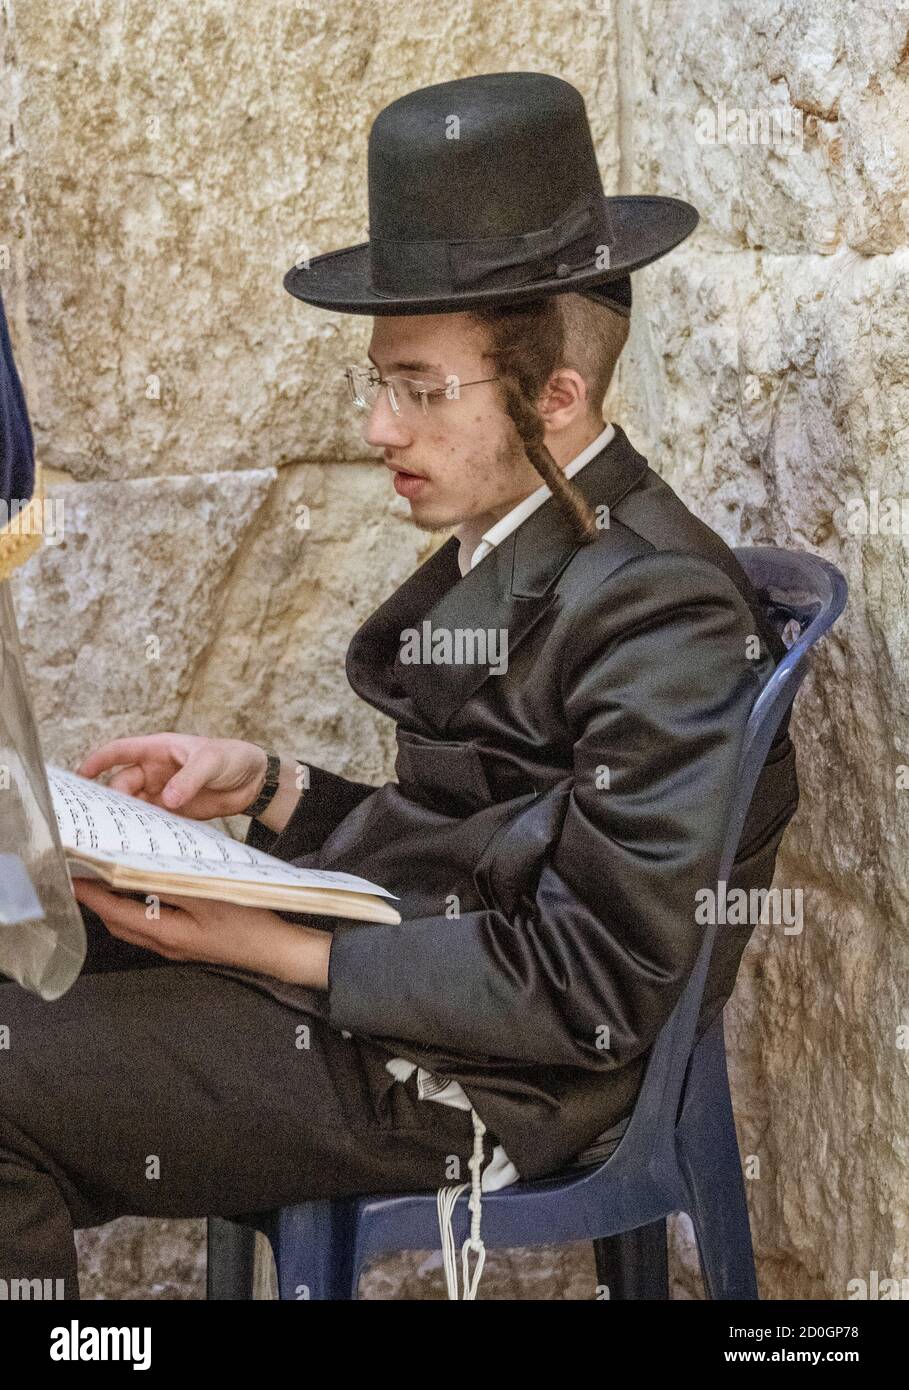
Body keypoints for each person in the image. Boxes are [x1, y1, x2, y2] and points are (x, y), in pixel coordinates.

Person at [0, 72, 799, 1301]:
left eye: (420, 389)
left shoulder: (669, 609)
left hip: (485, 1077)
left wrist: (281, 949)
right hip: (403, 1004)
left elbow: (593, 983)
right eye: (379, 382)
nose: (379, 425)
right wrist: (271, 791)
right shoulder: (537, 538)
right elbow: (474, 839)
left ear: (558, 395)